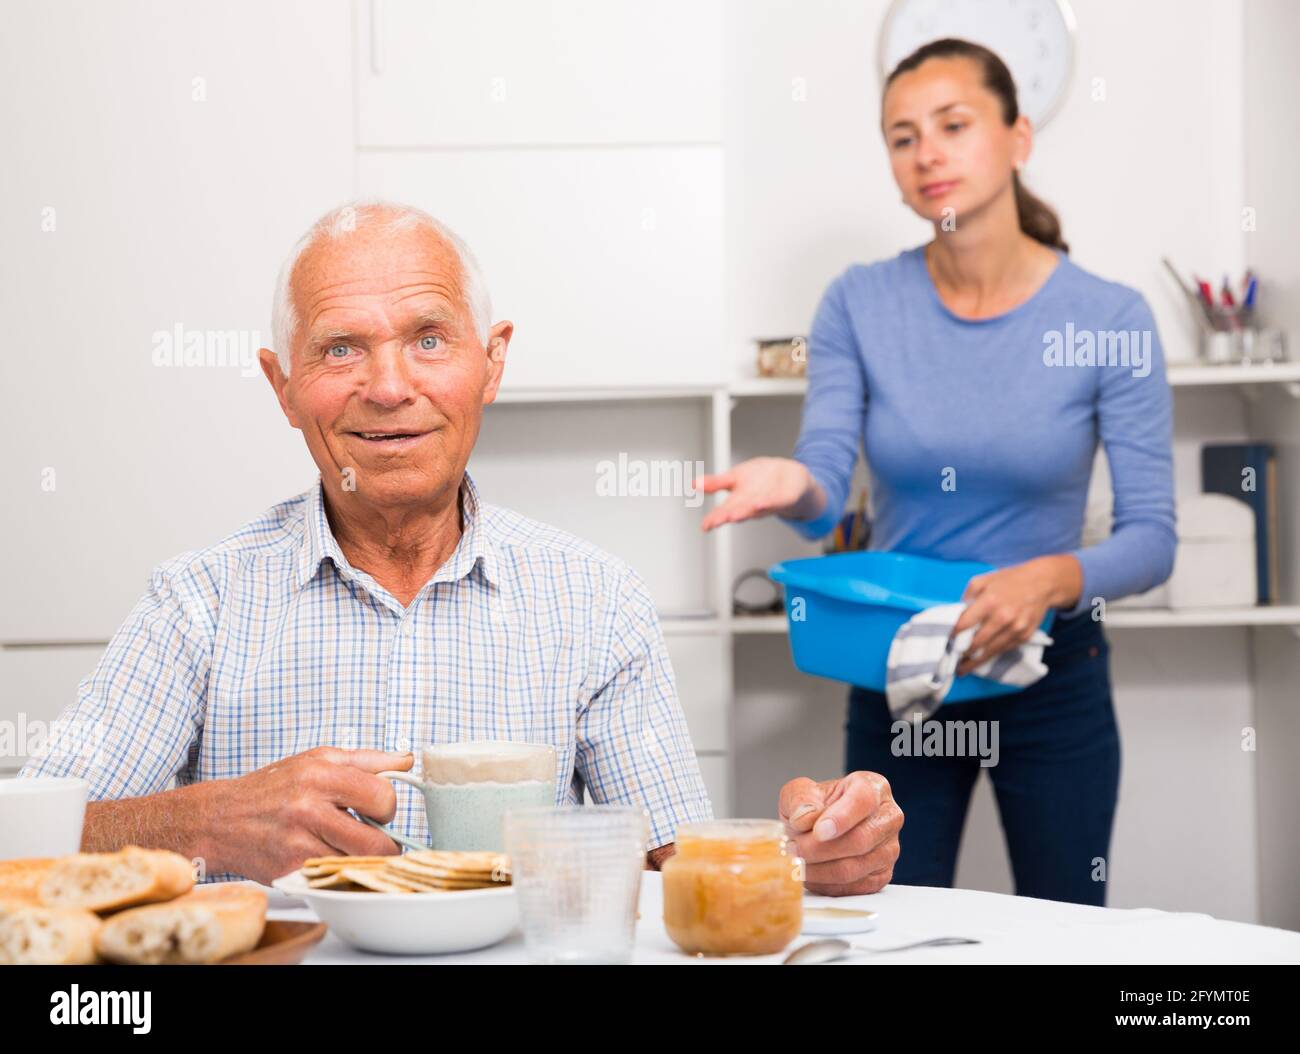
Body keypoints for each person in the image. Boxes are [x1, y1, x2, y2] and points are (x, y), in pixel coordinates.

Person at [22, 200, 903, 892]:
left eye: (429, 339)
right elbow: (20, 847)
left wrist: (806, 852)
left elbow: (670, 872)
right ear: (283, 387)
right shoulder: (198, 601)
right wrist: (205, 821)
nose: (390, 387)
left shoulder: (595, 600)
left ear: (492, 361)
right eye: (340, 349)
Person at [698, 40, 1175, 906]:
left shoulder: (1110, 317)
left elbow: (1152, 540)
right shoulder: (858, 303)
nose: (929, 154)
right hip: (902, 668)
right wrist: (793, 487)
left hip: (1053, 673)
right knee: (882, 917)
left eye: (954, 126)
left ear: (1019, 136)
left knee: (1069, 924)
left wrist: (1049, 578)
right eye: (903, 136)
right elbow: (824, 486)